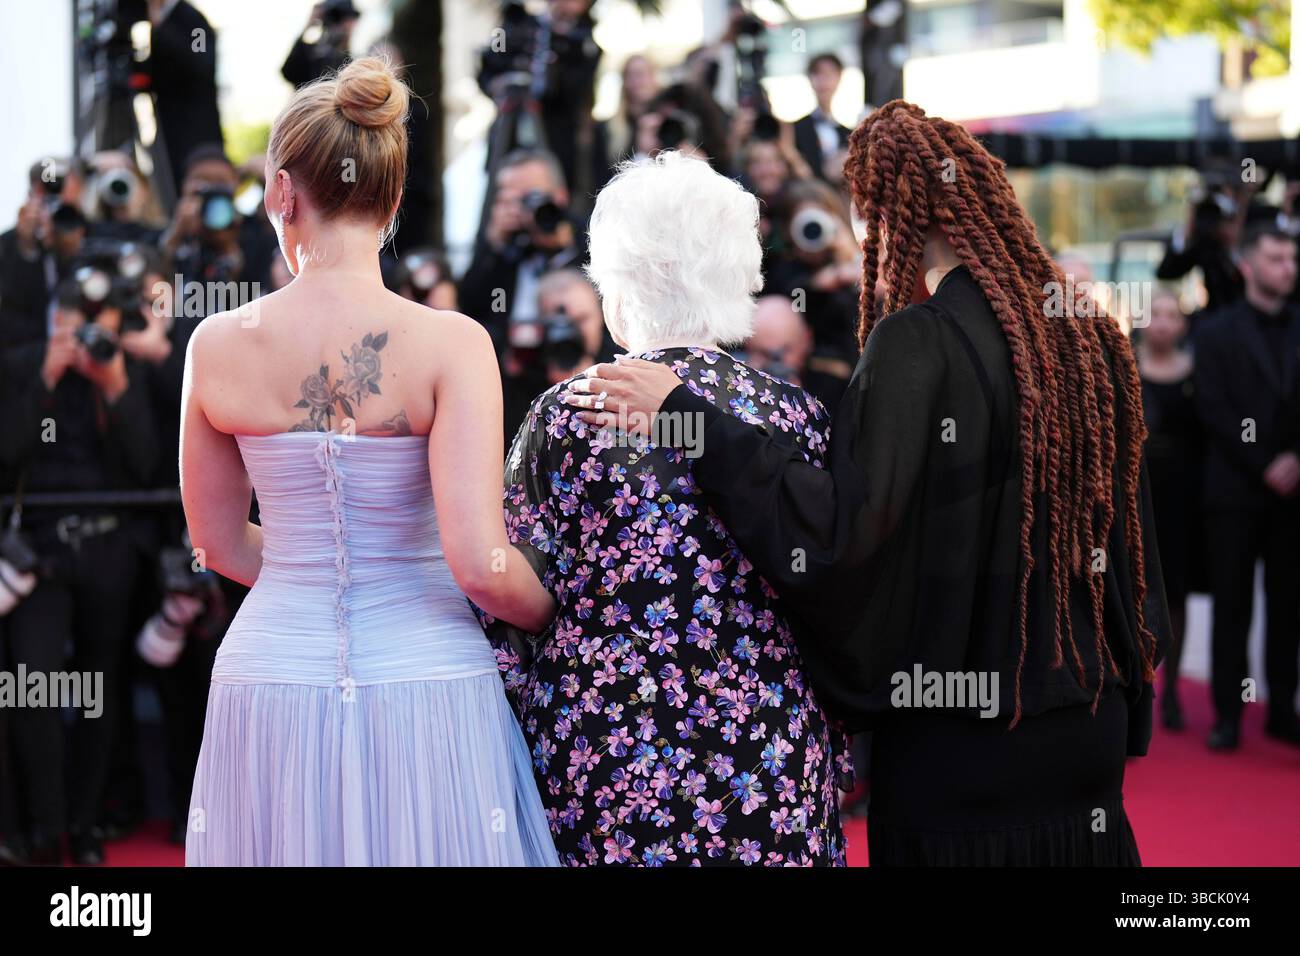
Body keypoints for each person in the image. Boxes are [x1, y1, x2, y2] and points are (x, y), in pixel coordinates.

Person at [565, 101, 1170, 866]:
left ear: (887, 215)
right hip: (1091, 720)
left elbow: (839, 538)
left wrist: (691, 418)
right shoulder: (1088, 333)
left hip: (962, 742)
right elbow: (1136, 541)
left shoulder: (917, 342)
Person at [179, 57, 558, 866]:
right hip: (427, 677)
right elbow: (482, 565)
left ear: (282, 192)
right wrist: (563, 612)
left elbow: (214, 543)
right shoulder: (454, 343)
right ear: (391, 197)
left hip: (269, 676)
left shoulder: (215, 345)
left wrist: (306, 575)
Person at [486, 151, 850, 866]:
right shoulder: (798, 416)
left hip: (604, 752)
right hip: (765, 752)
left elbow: (510, 595)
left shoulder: (567, 415)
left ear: (617, 282)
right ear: (738, 276)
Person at [1192, 223, 1300, 751]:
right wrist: (1265, 463)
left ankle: (1282, 709)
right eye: (1277, 258)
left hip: (1293, 495)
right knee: (1232, 607)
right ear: (1249, 265)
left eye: (1291, 258)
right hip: (1234, 490)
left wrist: (1295, 459)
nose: (1288, 267)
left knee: (1289, 608)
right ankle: (1228, 716)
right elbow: (1212, 407)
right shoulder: (1215, 332)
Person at [1136, 290, 1200, 731]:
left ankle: (1172, 690)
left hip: (1181, 499)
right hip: (1131, 493)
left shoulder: (1198, 373)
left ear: (1182, 323)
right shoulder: (1121, 362)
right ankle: (1135, 689)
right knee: (1130, 591)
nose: (1161, 322)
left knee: (1175, 594)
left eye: (1170, 315)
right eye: (1153, 313)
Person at [146, 0, 223, 196]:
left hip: (195, 130)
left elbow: (201, 64)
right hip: (172, 125)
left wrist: (161, 27)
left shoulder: (193, 20)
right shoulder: (171, 19)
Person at [793, 53, 851, 183]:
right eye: (818, 74)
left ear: (839, 78)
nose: (824, 81)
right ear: (810, 79)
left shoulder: (849, 133)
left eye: (830, 74)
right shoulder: (796, 128)